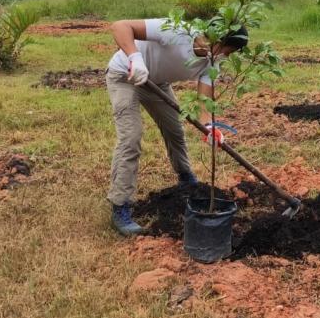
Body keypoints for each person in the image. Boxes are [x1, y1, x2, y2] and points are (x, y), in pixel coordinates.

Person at [105, 18, 248, 236]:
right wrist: (135, 58)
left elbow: (204, 104)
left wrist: (210, 127)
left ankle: (186, 179)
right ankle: (120, 205)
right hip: (125, 75)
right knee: (131, 139)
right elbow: (120, 26)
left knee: (175, 132)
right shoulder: (178, 31)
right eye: (227, 50)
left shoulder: (212, 63)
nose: (226, 57)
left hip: (156, 83)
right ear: (214, 39)